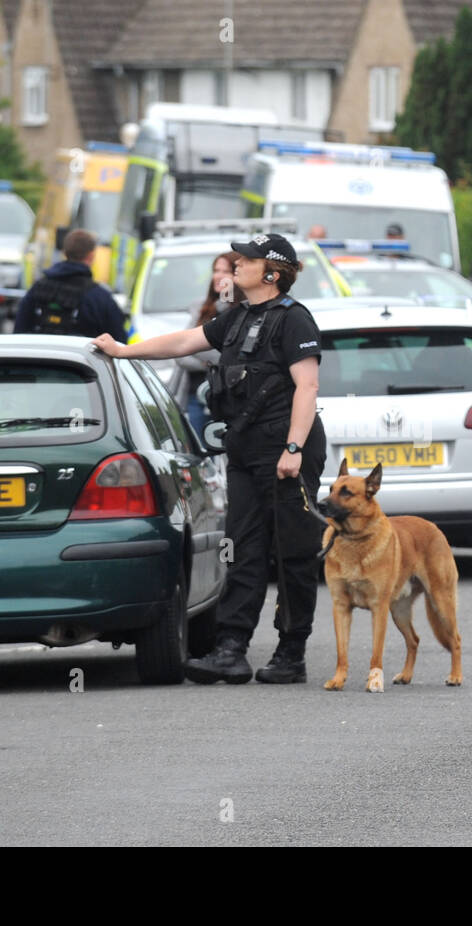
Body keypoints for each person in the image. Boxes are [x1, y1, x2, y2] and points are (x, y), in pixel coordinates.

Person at [91, 232, 326, 686]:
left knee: (294, 553)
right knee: (241, 549)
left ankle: (290, 653)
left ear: (272, 273)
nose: (236, 264)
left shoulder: (295, 320)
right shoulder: (236, 318)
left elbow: (307, 387)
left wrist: (294, 449)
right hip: (244, 449)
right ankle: (231, 649)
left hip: (286, 450)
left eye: (248, 259)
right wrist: (123, 351)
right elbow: (184, 343)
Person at [170, 251, 242, 432]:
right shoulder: (201, 307)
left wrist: (197, 350)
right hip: (195, 393)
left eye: (226, 271)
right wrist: (207, 363)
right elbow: (181, 352)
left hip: (230, 396)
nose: (218, 276)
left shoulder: (244, 311)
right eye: (216, 270)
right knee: (200, 451)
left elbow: (230, 356)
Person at [15, 228, 128, 341]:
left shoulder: (37, 289)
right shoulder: (100, 298)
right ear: (92, 256)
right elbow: (119, 342)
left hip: (36, 357)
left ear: (65, 253)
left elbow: (18, 333)